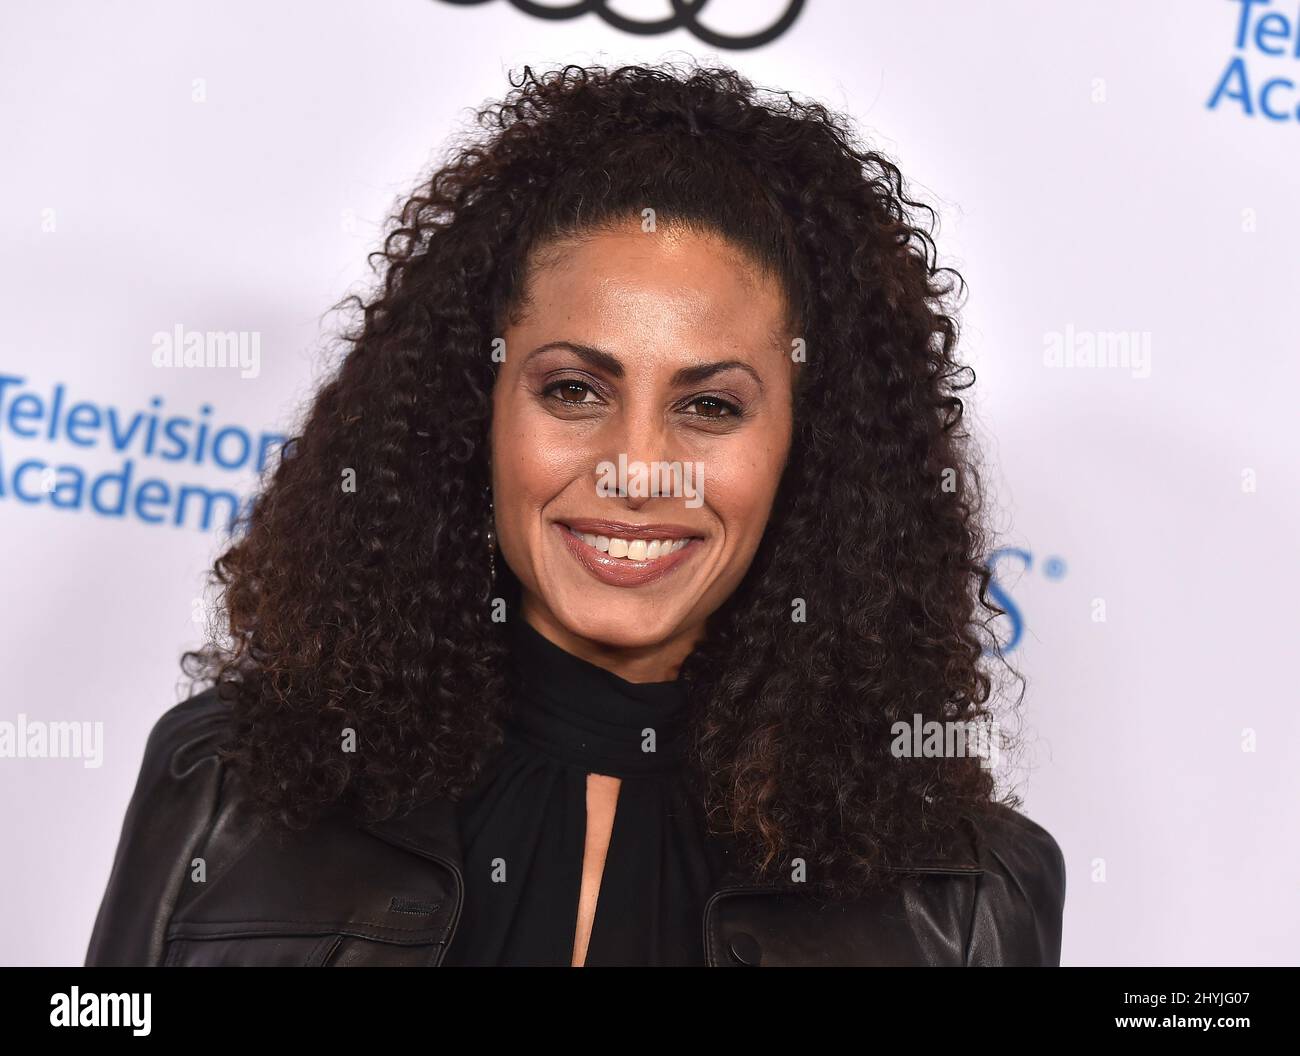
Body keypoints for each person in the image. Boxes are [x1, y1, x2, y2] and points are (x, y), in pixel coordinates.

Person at [85, 63, 1065, 967]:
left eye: (709, 406)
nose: (638, 471)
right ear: (475, 411)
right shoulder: (229, 785)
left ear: (808, 452)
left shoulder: (964, 900)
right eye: (572, 391)